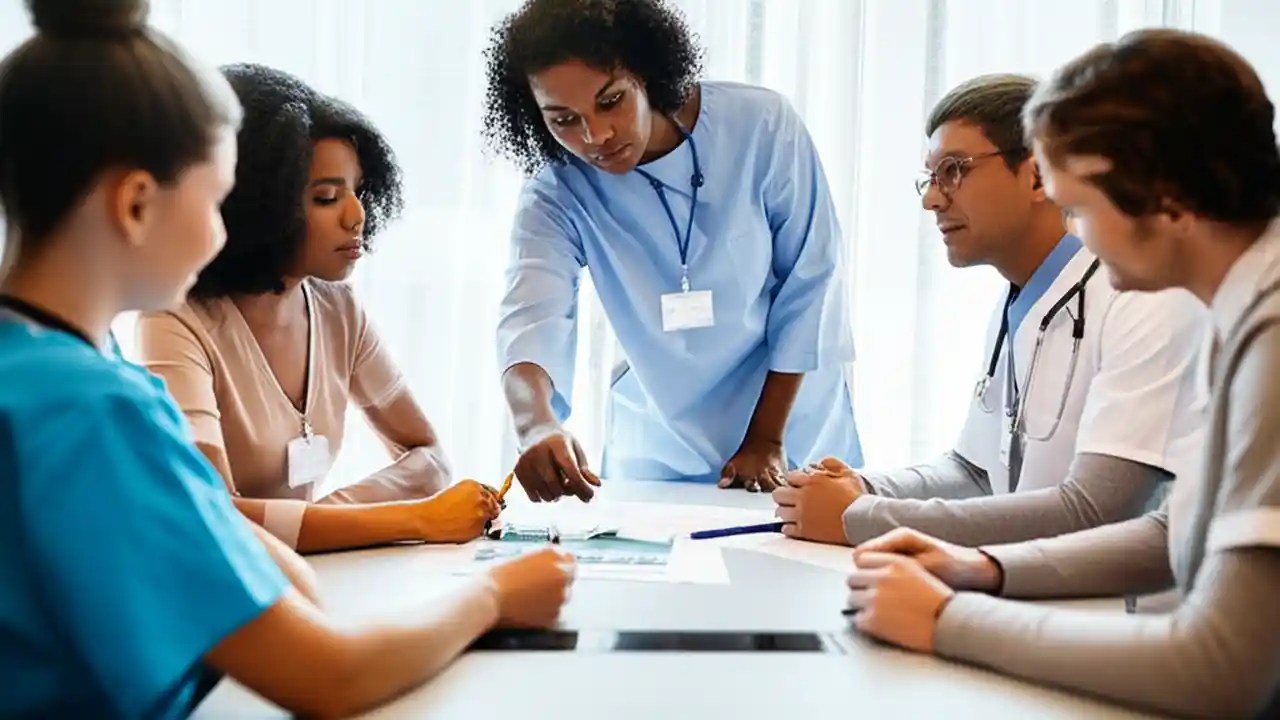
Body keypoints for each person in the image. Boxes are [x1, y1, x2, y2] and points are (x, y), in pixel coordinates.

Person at [0, 2, 574, 716]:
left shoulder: (52, 368)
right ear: (137, 205)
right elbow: (331, 675)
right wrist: (493, 594)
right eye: (216, 202)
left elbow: (252, 559)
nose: (223, 233)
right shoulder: (98, 410)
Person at [843, 29, 1280, 718]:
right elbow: (1174, 527)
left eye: (1079, 209)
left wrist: (946, 621)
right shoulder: (1237, 306)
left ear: (1162, 194)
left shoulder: (1272, 329)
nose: (1078, 236)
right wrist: (985, 569)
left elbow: (1221, 668)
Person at [773, 74, 1206, 547]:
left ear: (1040, 174)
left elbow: (1097, 510)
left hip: (1131, 611)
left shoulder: (1146, 298)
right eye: (931, 177)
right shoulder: (1018, 299)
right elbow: (976, 472)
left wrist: (862, 517)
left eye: (954, 170)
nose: (931, 198)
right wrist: (863, 487)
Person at [483, 0, 861, 501]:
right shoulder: (557, 190)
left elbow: (812, 280)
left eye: (611, 100)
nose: (595, 135)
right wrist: (535, 426)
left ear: (646, 72)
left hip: (791, 430)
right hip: (658, 452)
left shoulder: (760, 125)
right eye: (563, 120)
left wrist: (767, 438)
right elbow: (531, 316)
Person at [137, 63, 495, 553]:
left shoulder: (338, 309)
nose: (357, 215)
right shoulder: (175, 319)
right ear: (257, 205)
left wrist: (331, 514)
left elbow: (427, 456)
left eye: (358, 190)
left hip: (298, 579)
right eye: (327, 197)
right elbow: (213, 516)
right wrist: (414, 519)